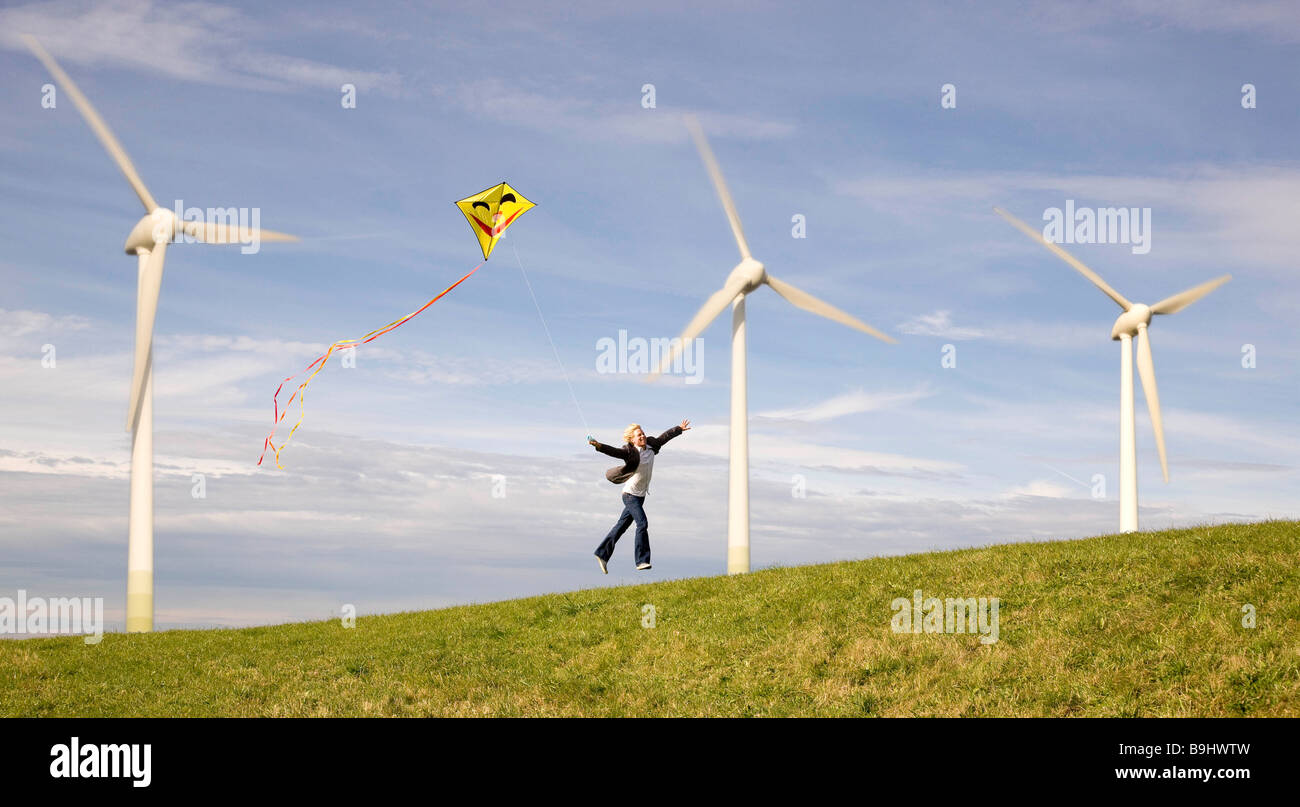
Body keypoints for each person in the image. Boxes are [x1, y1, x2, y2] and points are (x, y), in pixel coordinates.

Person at [589, 420, 691, 573]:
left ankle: (602, 553)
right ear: (632, 439)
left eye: (642, 433)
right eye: (639, 435)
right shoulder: (629, 452)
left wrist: (679, 429)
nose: (642, 436)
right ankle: (642, 560)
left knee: (620, 527)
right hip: (630, 495)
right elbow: (614, 451)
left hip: (640, 496)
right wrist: (599, 446)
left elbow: (665, 437)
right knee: (642, 523)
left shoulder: (651, 444)